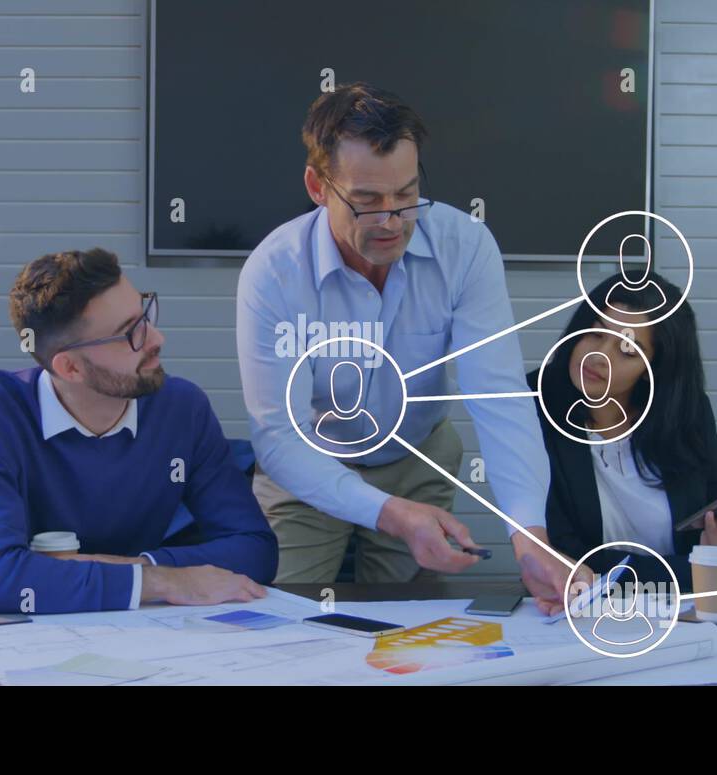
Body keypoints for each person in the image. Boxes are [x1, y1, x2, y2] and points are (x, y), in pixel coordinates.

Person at [237, 83, 577, 611]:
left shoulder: (465, 248)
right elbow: (280, 435)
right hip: (306, 465)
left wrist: (529, 532)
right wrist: (391, 513)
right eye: (368, 201)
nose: (393, 221)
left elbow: (497, 395)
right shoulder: (273, 272)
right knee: (282, 611)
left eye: (406, 195)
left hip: (415, 458)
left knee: (409, 621)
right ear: (317, 185)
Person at [0, 248, 278, 625]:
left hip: (111, 624)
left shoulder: (182, 408)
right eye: (129, 332)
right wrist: (162, 580)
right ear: (70, 367)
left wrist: (137, 567)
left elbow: (255, 551)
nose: (157, 337)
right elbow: (0, 581)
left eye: (146, 313)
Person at [529, 271, 717, 590]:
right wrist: (704, 566)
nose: (600, 356)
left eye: (628, 350)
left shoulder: (687, 410)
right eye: (595, 334)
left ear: (655, 369)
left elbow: (716, 507)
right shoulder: (532, 404)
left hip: (683, 609)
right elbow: (567, 554)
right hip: (580, 608)